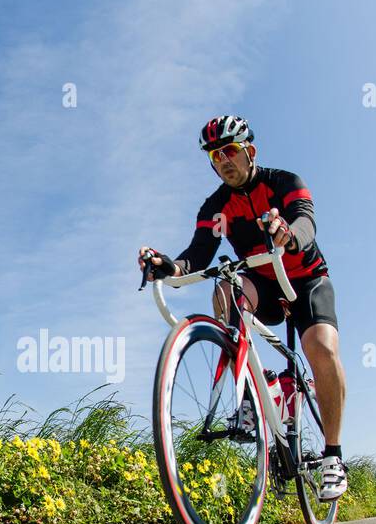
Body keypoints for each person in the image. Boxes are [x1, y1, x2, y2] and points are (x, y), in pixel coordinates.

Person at [137, 114, 348, 499]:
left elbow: (305, 221)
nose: (223, 162)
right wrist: (170, 266)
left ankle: (333, 456)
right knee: (225, 288)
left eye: (230, 151)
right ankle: (252, 390)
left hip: (305, 280)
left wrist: (288, 234)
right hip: (263, 284)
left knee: (321, 348)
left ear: (249, 151)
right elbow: (198, 253)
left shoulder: (284, 182)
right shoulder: (216, 206)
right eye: (215, 156)